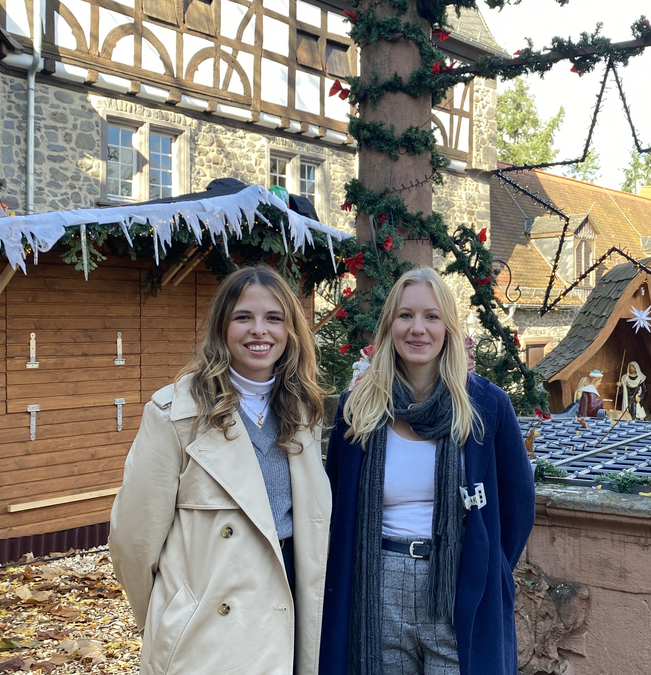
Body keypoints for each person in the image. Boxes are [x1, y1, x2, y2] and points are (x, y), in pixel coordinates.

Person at [109, 264, 330, 675]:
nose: (259, 331)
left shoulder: (304, 412)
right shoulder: (174, 414)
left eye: (274, 318)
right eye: (243, 317)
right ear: (222, 327)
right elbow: (132, 544)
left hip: (288, 613)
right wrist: (170, 615)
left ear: (290, 331)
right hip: (208, 636)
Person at [320, 267, 536, 675]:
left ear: (448, 327)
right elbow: (335, 504)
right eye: (405, 315)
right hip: (376, 585)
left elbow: (519, 504)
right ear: (390, 326)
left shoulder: (487, 406)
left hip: (458, 586)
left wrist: (487, 569)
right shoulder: (358, 409)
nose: (417, 329)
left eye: (431, 316)